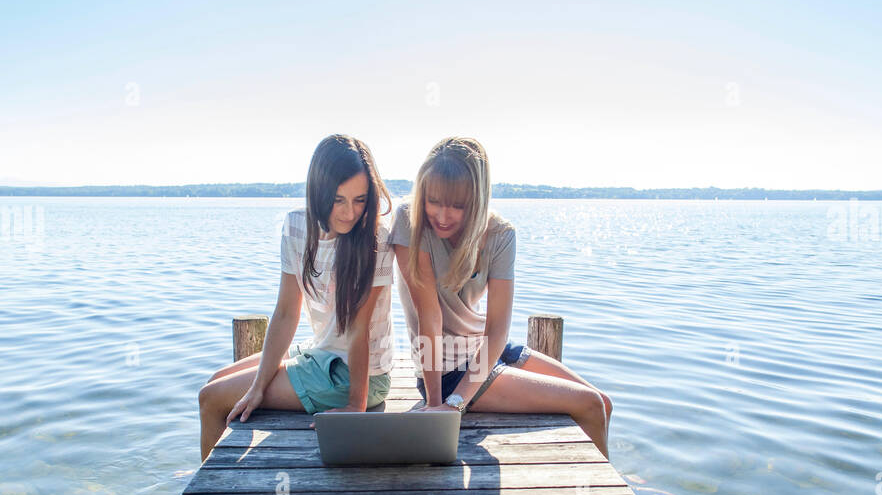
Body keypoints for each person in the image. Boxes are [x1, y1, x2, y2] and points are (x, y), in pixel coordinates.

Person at [390, 136, 612, 457]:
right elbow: (430, 317)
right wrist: (441, 406)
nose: (442, 214)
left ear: (478, 200)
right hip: (448, 370)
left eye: (457, 205)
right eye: (434, 200)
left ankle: (625, 478)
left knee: (603, 402)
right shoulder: (409, 222)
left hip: (488, 349)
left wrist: (453, 406)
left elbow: (496, 329)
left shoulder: (500, 234)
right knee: (589, 405)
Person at [197, 134, 394, 463]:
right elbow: (287, 312)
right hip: (321, 354)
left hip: (360, 376)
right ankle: (211, 474)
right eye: (338, 200)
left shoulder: (378, 236)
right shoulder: (296, 226)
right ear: (318, 191)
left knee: (210, 398)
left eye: (359, 200)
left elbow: (360, 330)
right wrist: (260, 385)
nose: (349, 213)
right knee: (217, 381)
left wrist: (355, 408)